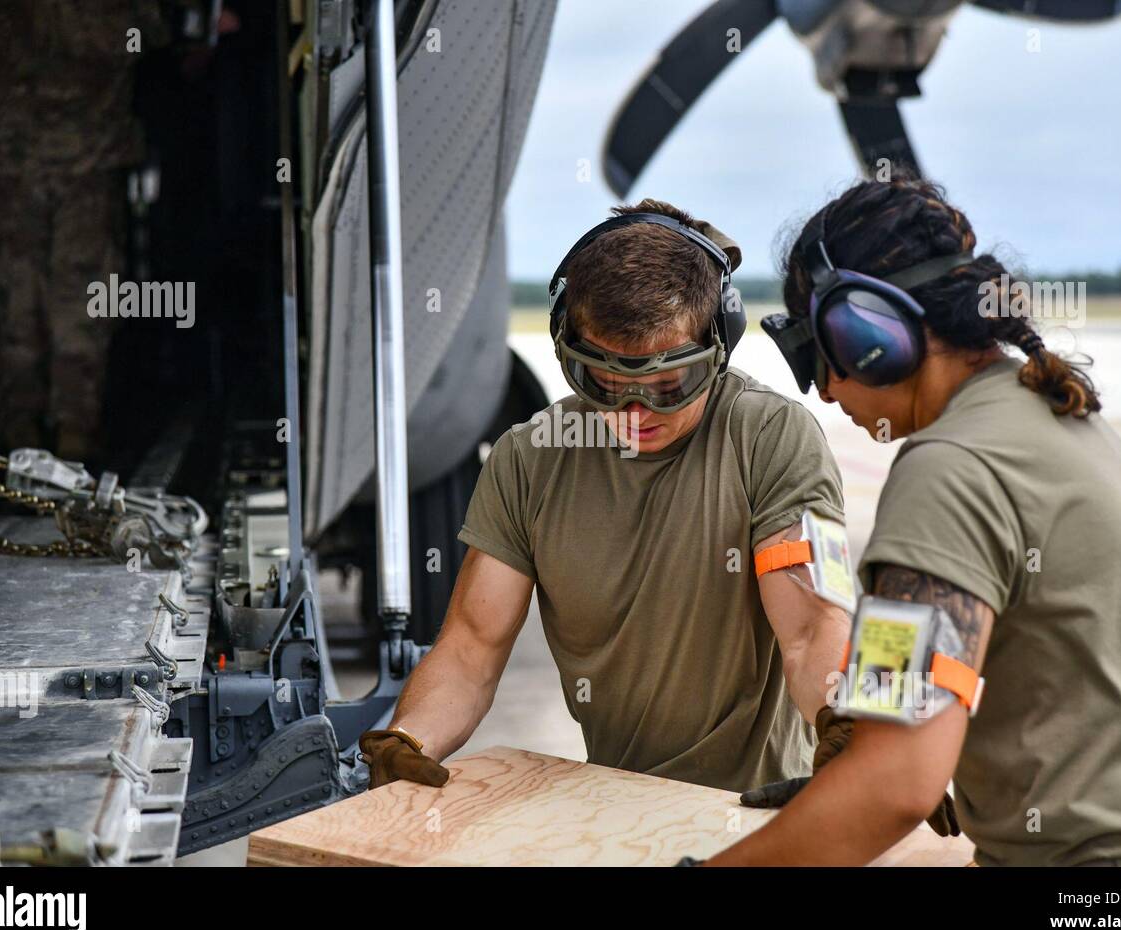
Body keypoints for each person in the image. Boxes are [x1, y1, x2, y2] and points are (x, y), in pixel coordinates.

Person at [708, 176, 1121, 866]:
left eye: (821, 354)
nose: (827, 391)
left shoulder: (950, 468)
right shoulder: (1050, 418)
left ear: (870, 332)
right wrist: (869, 743)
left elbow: (896, 785)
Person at [359, 199, 853, 794]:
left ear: (719, 348)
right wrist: (408, 738)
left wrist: (843, 722)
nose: (633, 413)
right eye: (605, 384)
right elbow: (471, 647)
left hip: (765, 807)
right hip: (620, 805)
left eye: (669, 387)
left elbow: (809, 628)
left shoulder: (771, 438)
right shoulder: (531, 458)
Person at [0, 0, 169, 461]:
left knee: (17, 292)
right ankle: (74, 429)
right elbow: (152, 36)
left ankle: (20, 427)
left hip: (14, 165)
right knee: (83, 295)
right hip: (90, 162)